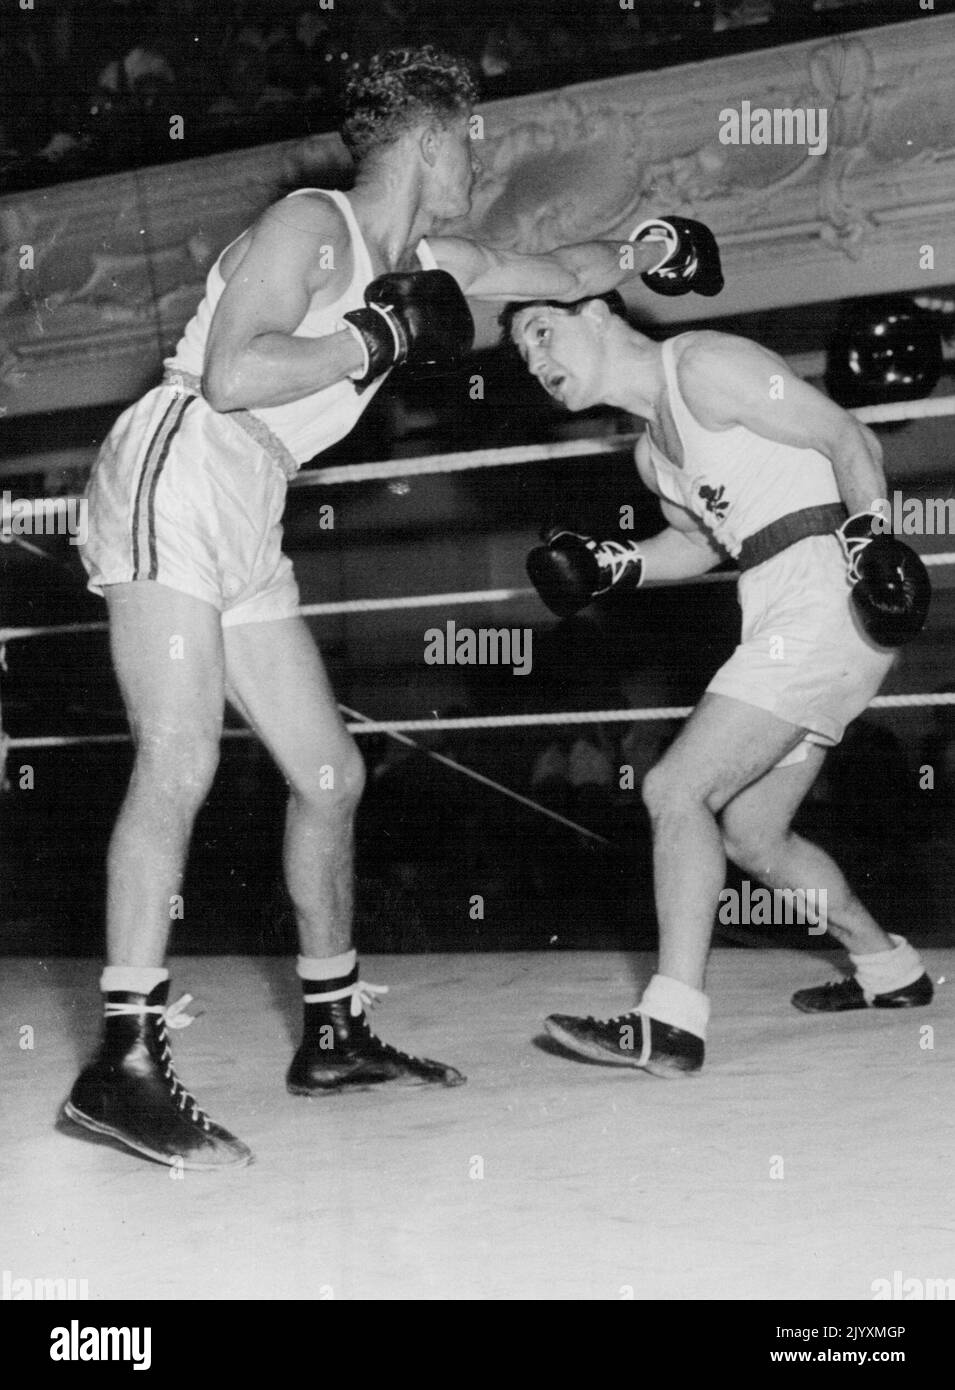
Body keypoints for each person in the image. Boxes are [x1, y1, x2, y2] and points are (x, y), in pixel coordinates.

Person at [65, 46, 724, 1168]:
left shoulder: (426, 257)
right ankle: (119, 1062)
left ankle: (330, 1028)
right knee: (176, 763)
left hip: (251, 494)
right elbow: (230, 373)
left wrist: (641, 248)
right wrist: (370, 336)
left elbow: (554, 267)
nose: (480, 157)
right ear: (430, 136)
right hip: (185, 458)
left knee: (329, 772)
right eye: (471, 139)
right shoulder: (311, 228)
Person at [505, 290, 932, 1078]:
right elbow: (699, 543)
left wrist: (874, 540)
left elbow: (845, 432)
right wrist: (612, 564)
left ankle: (671, 1022)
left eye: (542, 330)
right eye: (522, 353)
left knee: (674, 788)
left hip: (824, 593)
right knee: (751, 832)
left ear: (598, 312)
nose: (535, 360)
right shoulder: (651, 454)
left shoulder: (702, 365)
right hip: (775, 604)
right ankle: (889, 970)